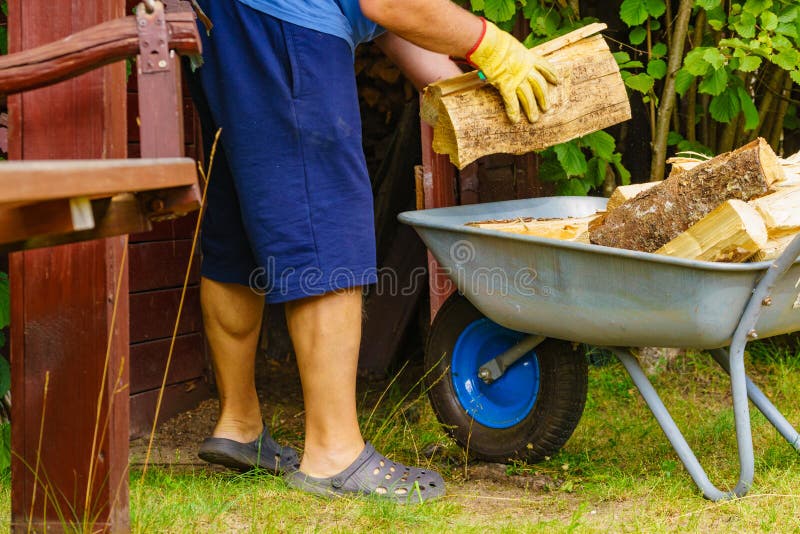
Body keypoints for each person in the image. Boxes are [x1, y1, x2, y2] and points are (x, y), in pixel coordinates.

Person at [188, 0, 558, 503]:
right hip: (287, 29)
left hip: (226, 26)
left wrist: (461, 96)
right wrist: (492, 45)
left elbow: (389, 21)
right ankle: (334, 454)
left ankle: (239, 424)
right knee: (328, 220)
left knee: (241, 232)